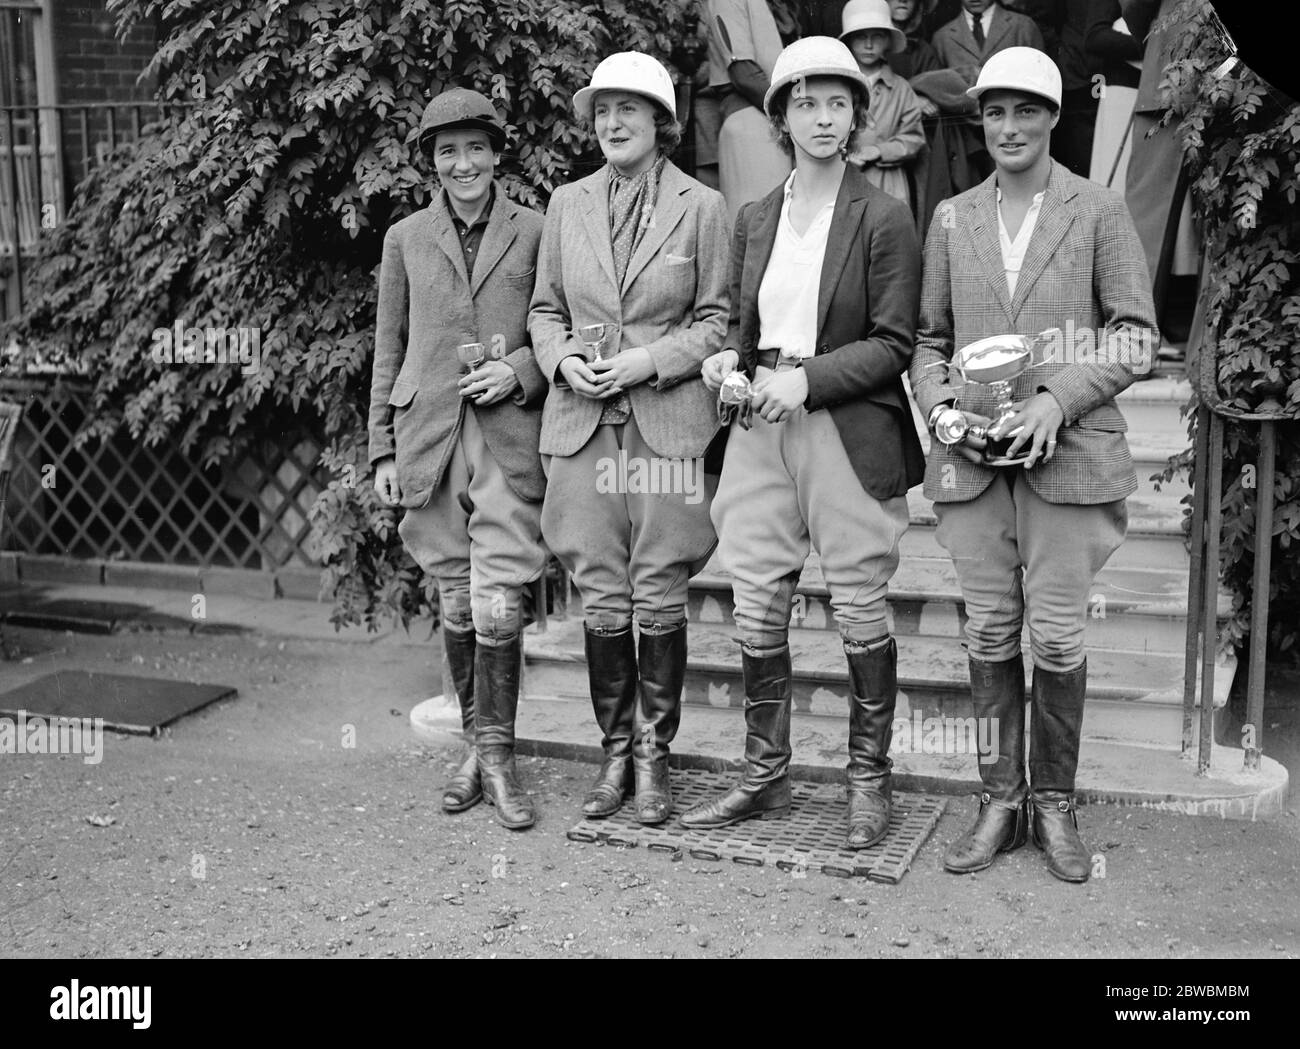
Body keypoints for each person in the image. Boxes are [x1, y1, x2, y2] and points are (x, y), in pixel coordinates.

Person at [910, 47, 1157, 883]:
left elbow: (1134, 333)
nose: (1007, 128)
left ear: (1054, 116)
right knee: (987, 630)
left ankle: (1054, 802)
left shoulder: (1099, 210)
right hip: (975, 462)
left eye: (1024, 111)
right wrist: (944, 413)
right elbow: (929, 340)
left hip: (1067, 458)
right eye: (993, 114)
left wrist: (1058, 398)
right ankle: (999, 801)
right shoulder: (950, 216)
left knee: (1053, 634)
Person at [680, 36, 924, 850]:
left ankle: (867, 781)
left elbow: (894, 342)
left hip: (843, 425)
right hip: (758, 426)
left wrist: (810, 379)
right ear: (781, 115)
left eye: (838, 103)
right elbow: (743, 330)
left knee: (857, 599)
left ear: (858, 114)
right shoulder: (754, 217)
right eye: (805, 103)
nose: (823, 118)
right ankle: (765, 774)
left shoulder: (885, 216)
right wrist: (728, 363)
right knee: (755, 599)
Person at [528, 52, 731, 826]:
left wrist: (648, 360)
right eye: (602, 111)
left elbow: (718, 322)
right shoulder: (567, 203)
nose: (612, 123)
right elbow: (544, 310)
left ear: (660, 123)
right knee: (601, 590)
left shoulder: (701, 206)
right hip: (582, 425)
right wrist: (564, 359)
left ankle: (654, 758)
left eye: (629, 110)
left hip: (665, 422)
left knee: (658, 587)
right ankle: (615, 754)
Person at [368, 88, 548, 830]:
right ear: (432, 163)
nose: (463, 163)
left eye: (476, 147)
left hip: (507, 434)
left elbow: (560, 323)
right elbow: (388, 345)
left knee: (500, 593)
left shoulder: (537, 230)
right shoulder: (405, 238)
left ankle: (499, 760)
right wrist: (380, 443)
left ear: (497, 153)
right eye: (448, 151)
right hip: (429, 435)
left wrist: (524, 371)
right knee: (455, 592)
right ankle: (475, 746)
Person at [706, 0, 800, 223]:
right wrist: (795, 117)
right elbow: (744, 74)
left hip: (781, 121)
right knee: (760, 225)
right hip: (753, 119)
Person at [841, 0, 927, 210]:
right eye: (861, 36)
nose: (868, 45)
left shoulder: (900, 88)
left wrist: (879, 151)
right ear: (850, 40)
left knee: (888, 233)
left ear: (888, 40)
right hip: (843, 178)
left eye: (876, 36)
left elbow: (914, 138)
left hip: (889, 182)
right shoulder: (839, 86)